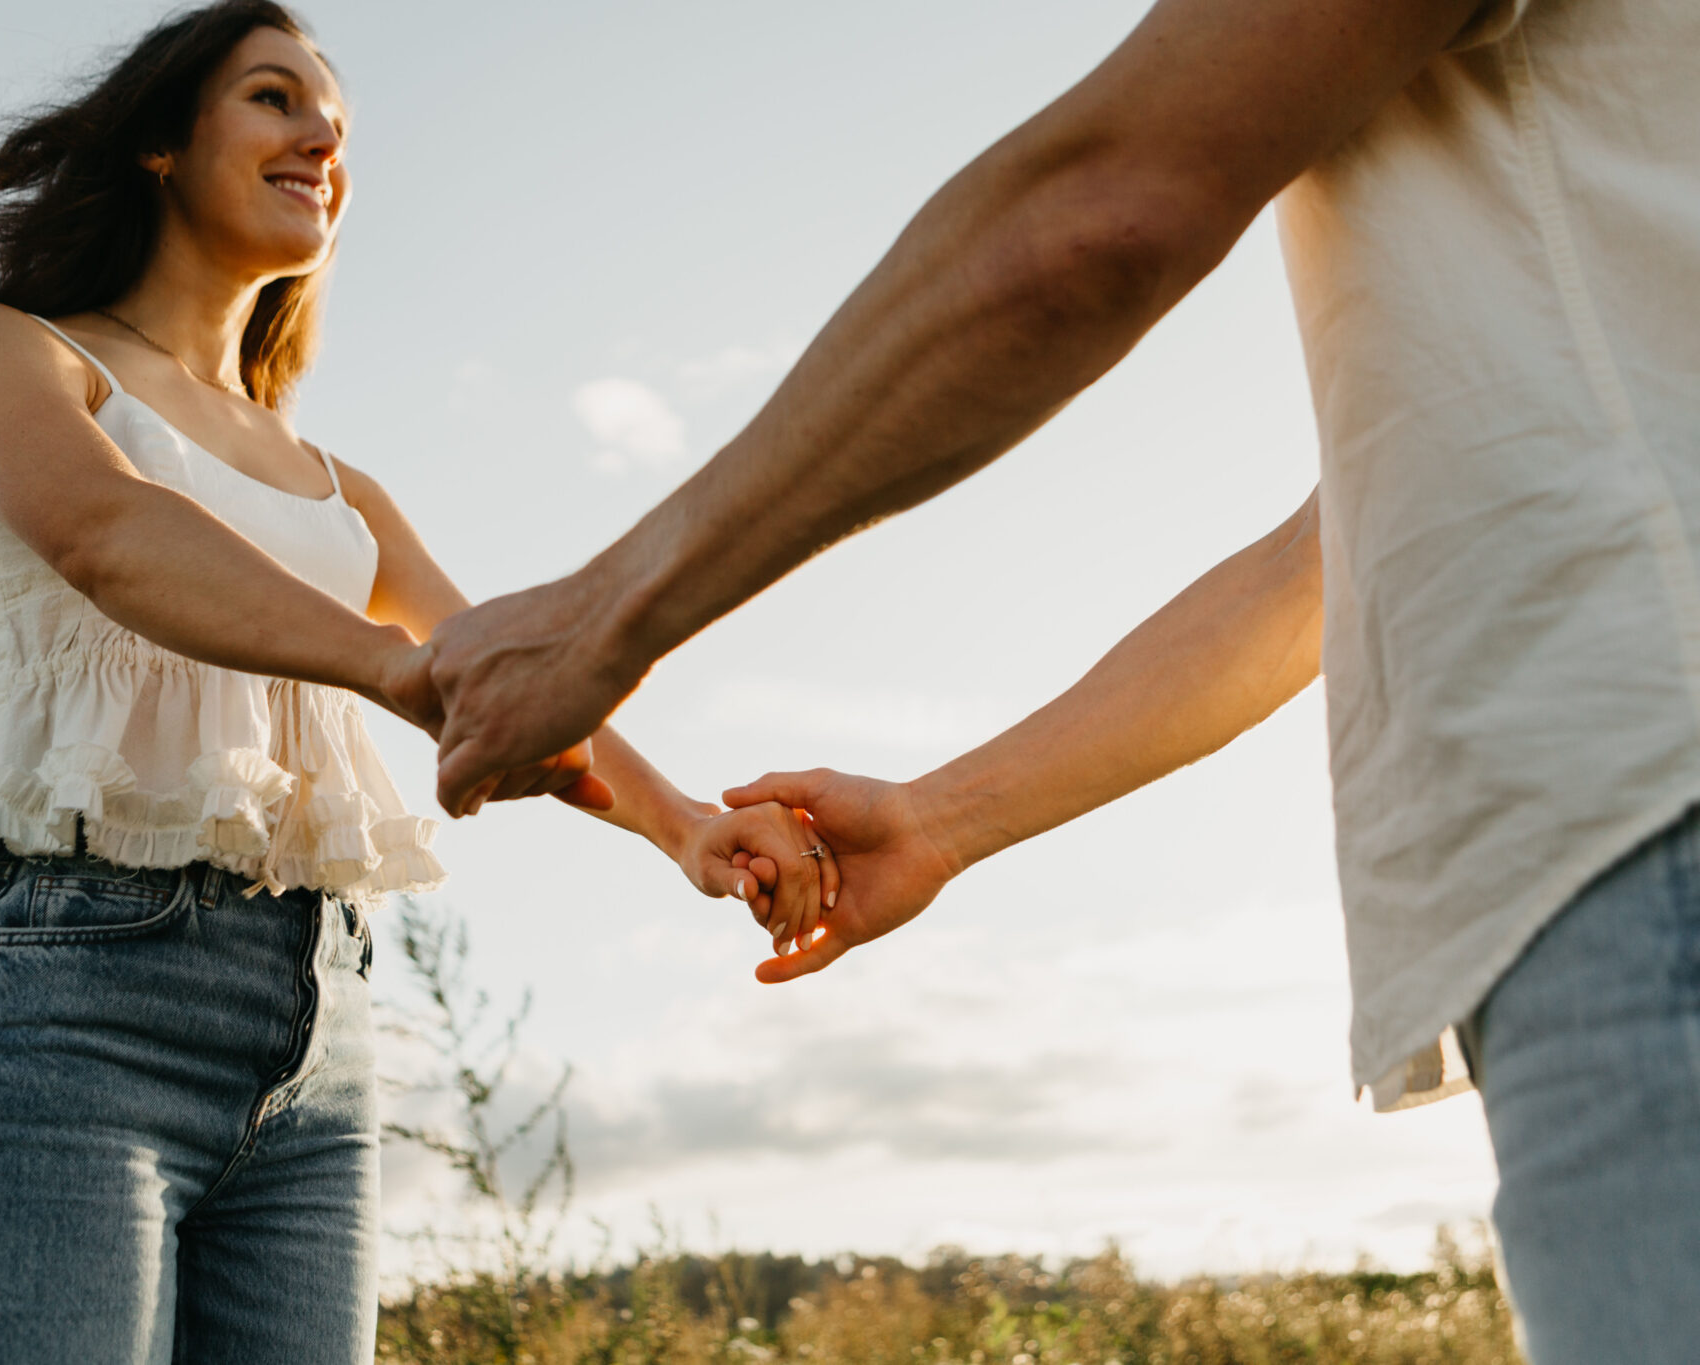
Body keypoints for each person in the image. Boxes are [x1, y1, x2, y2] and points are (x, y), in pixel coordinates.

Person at [422, 0, 1700, 1360]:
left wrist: (605, 617)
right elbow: (1328, 563)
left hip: (1648, 822)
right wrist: (942, 819)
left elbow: (1100, 212)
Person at [0, 4, 837, 1361]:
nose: (322, 137)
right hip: (67, 997)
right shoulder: (12, 352)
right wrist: (391, 665)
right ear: (162, 142)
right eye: (275, 98)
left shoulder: (340, 490)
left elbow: (504, 671)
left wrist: (688, 827)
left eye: (337, 122)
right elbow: (111, 535)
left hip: (320, 1031)